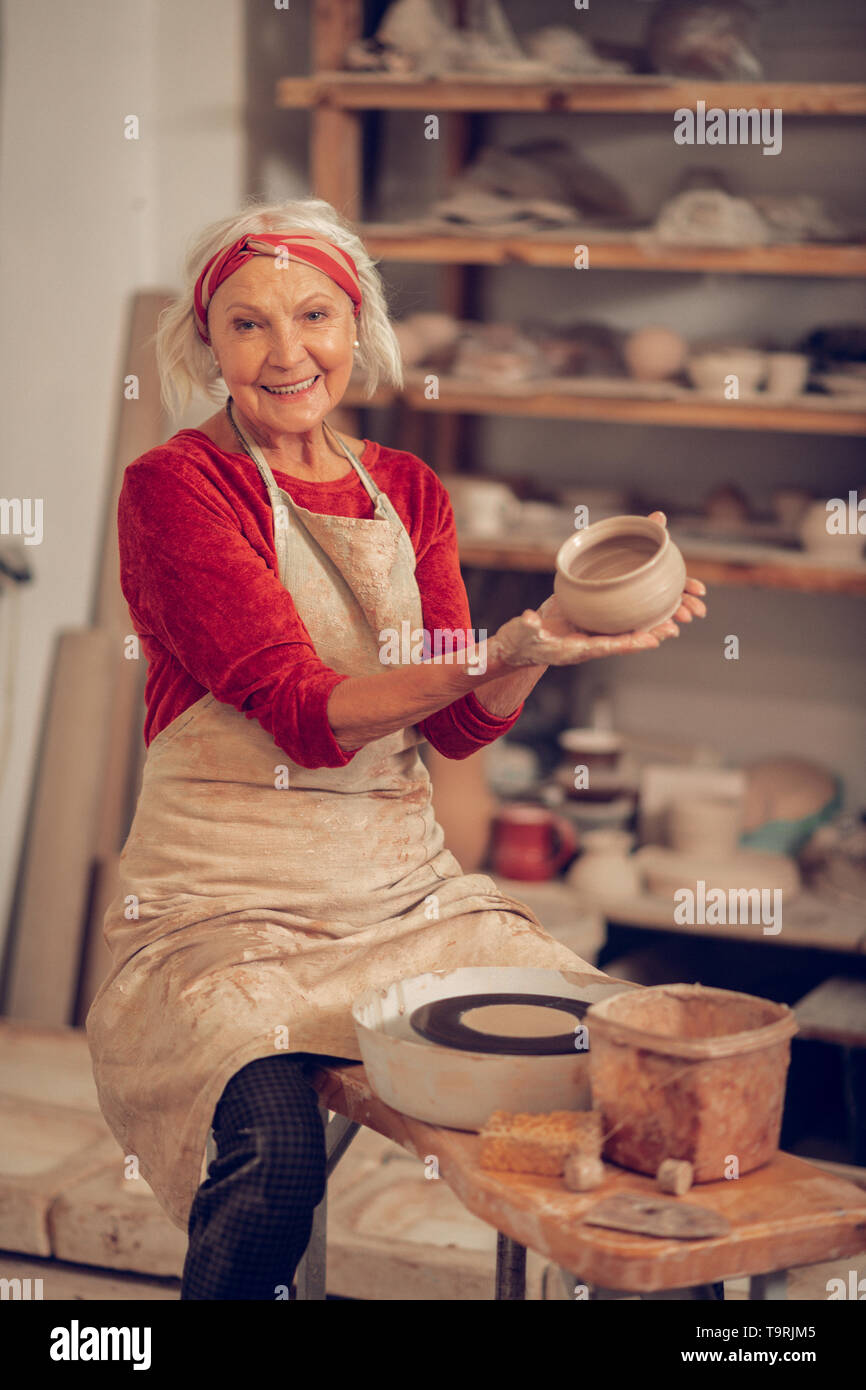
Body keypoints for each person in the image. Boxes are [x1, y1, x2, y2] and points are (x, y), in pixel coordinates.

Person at [86, 198, 707, 1300]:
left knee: (644, 1069)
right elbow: (301, 711)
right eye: (248, 324)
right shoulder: (176, 488)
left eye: (314, 314)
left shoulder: (408, 490)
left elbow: (459, 728)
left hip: (403, 902)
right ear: (207, 343)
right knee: (273, 1160)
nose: (288, 353)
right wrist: (493, 650)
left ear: (357, 323)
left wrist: (539, 650)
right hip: (227, 919)